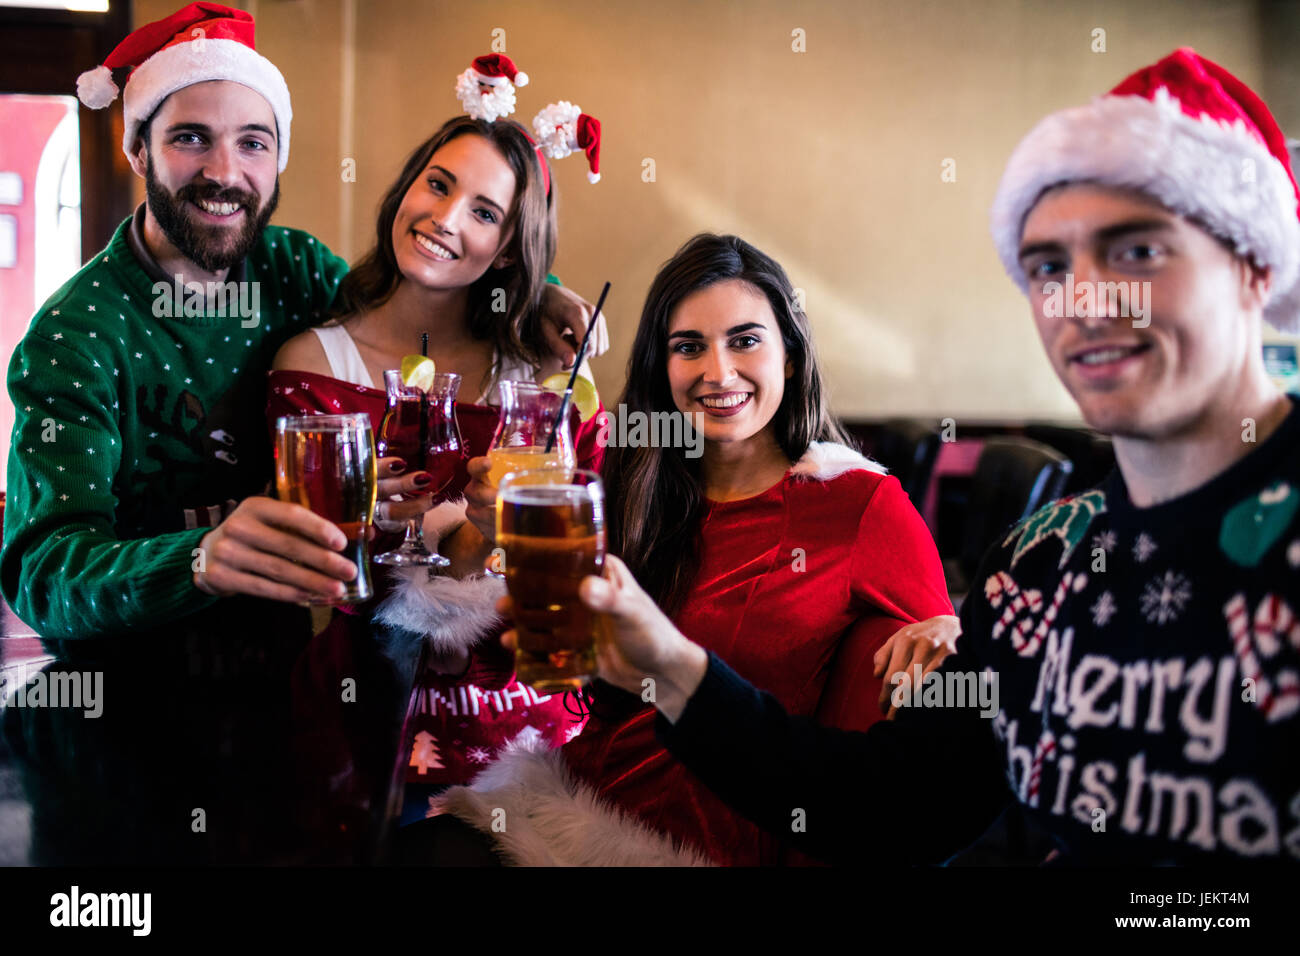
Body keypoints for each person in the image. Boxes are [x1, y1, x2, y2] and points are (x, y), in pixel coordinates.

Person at [490, 49, 1300, 866]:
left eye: (1137, 252)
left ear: (1255, 267)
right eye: (1049, 265)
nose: (1080, 299)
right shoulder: (1038, 561)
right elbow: (890, 803)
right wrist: (668, 664)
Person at [0, 8, 606, 650]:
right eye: (191, 138)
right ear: (136, 148)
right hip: (126, 697)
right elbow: (41, 573)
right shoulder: (76, 335)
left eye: (253, 142)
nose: (224, 173)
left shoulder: (295, 269)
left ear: (279, 157)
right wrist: (203, 558)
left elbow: (414, 295)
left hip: (284, 683)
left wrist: (535, 293)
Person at [433, 233, 959, 865]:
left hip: (692, 847)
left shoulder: (858, 505)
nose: (718, 372)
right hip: (560, 803)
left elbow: (945, 696)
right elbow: (531, 662)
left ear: (789, 355)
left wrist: (952, 630)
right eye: (689, 347)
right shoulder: (628, 480)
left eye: (745, 340)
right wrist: (488, 534)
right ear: (663, 366)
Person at [267, 106, 603, 791]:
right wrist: (366, 526)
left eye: (484, 212)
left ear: (510, 247)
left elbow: (588, 553)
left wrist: (508, 531)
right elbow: (316, 570)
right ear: (404, 190)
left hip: (529, 740)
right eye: (438, 184)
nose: (446, 219)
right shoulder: (315, 363)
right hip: (363, 732)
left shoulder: (541, 377)